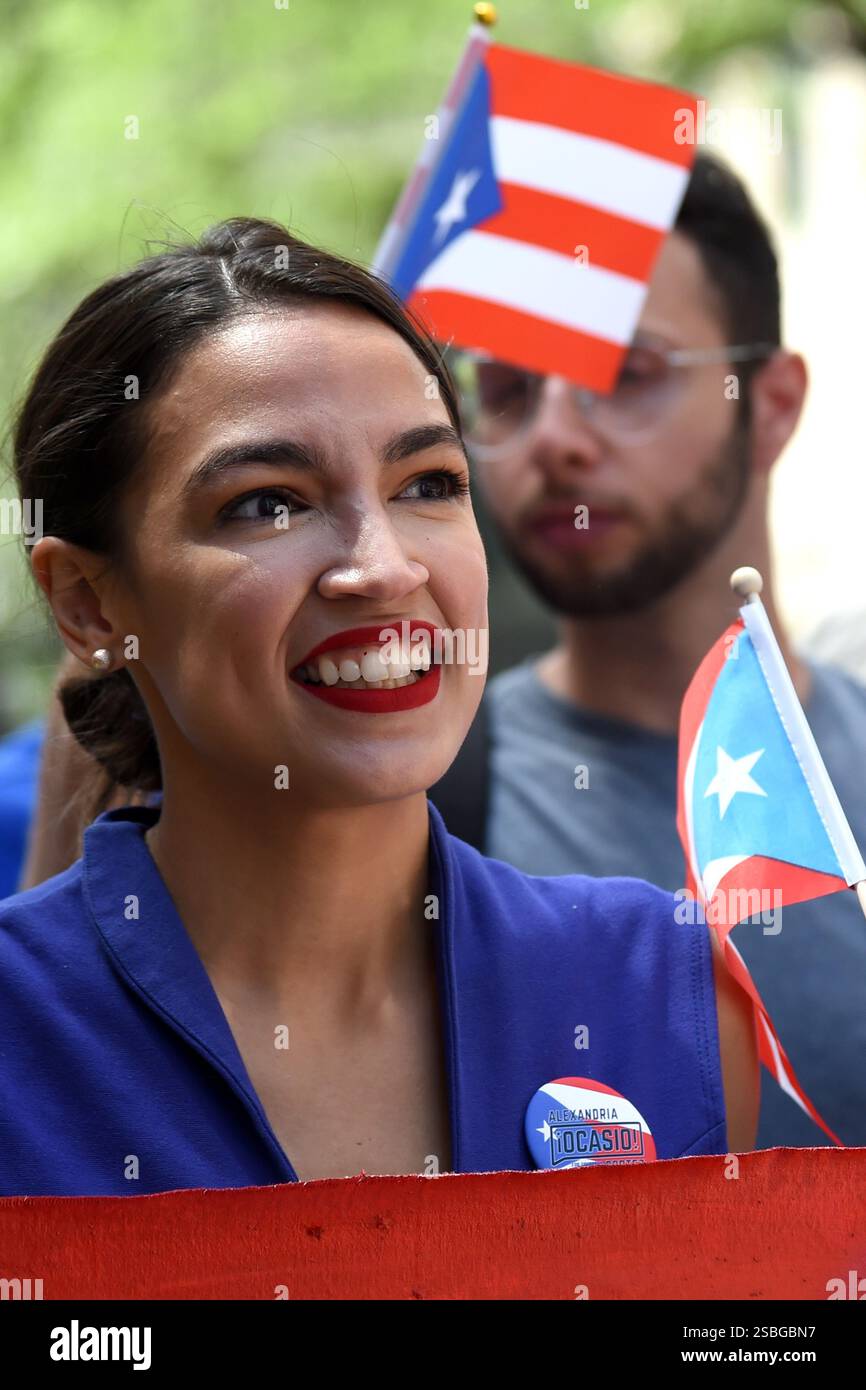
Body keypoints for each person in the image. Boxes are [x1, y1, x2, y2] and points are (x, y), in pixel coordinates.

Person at [0, 217, 757, 1196]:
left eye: (428, 483)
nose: (384, 566)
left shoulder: (669, 991)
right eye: (267, 502)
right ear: (87, 603)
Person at [430, 154, 866, 1149]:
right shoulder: (411, 810)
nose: (554, 440)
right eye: (503, 390)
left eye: (624, 375)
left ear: (771, 404)